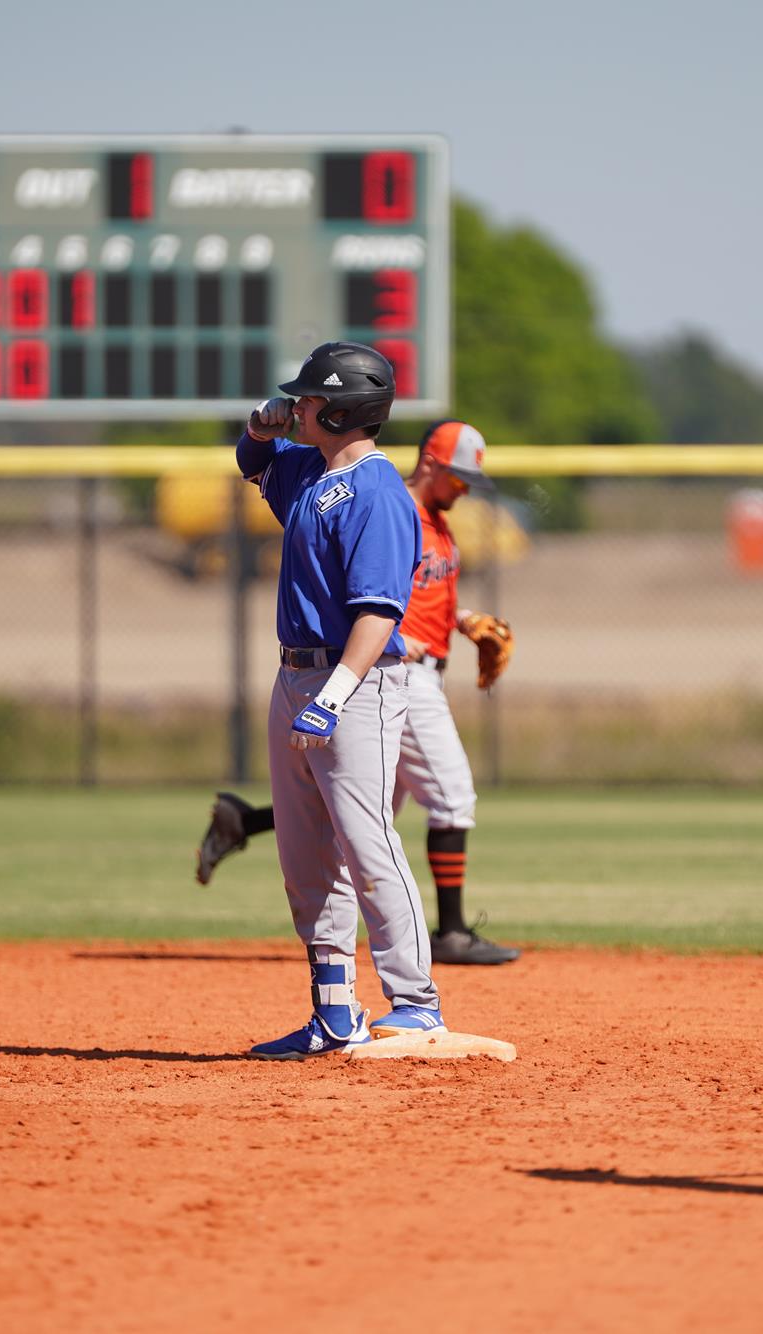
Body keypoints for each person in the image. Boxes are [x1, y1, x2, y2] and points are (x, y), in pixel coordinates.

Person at [195, 419, 521, 966]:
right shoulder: (389, 504)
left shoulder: (439, 523)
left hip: (414, 667)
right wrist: (399, 640)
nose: (465, 489)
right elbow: (375, 596)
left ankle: (243, 821)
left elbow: (423, 594)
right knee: (447, 795)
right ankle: (447, 936)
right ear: (432, 465)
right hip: (390, 671)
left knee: (363, 811)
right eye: (459, 478)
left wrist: (462, 620)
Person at [234, 341, 444, 1058]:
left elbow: (380, 612)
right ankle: (334, 1015)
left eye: (310, 399)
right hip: (294, 676)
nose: (299, 406)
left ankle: (416, 1003)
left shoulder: (380, 494)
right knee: (304, 857)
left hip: (352, 685)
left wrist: (334, 693)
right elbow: (253, 462)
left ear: (343, 409)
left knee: (367, 843)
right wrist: (262, 427)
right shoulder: (313, 474)